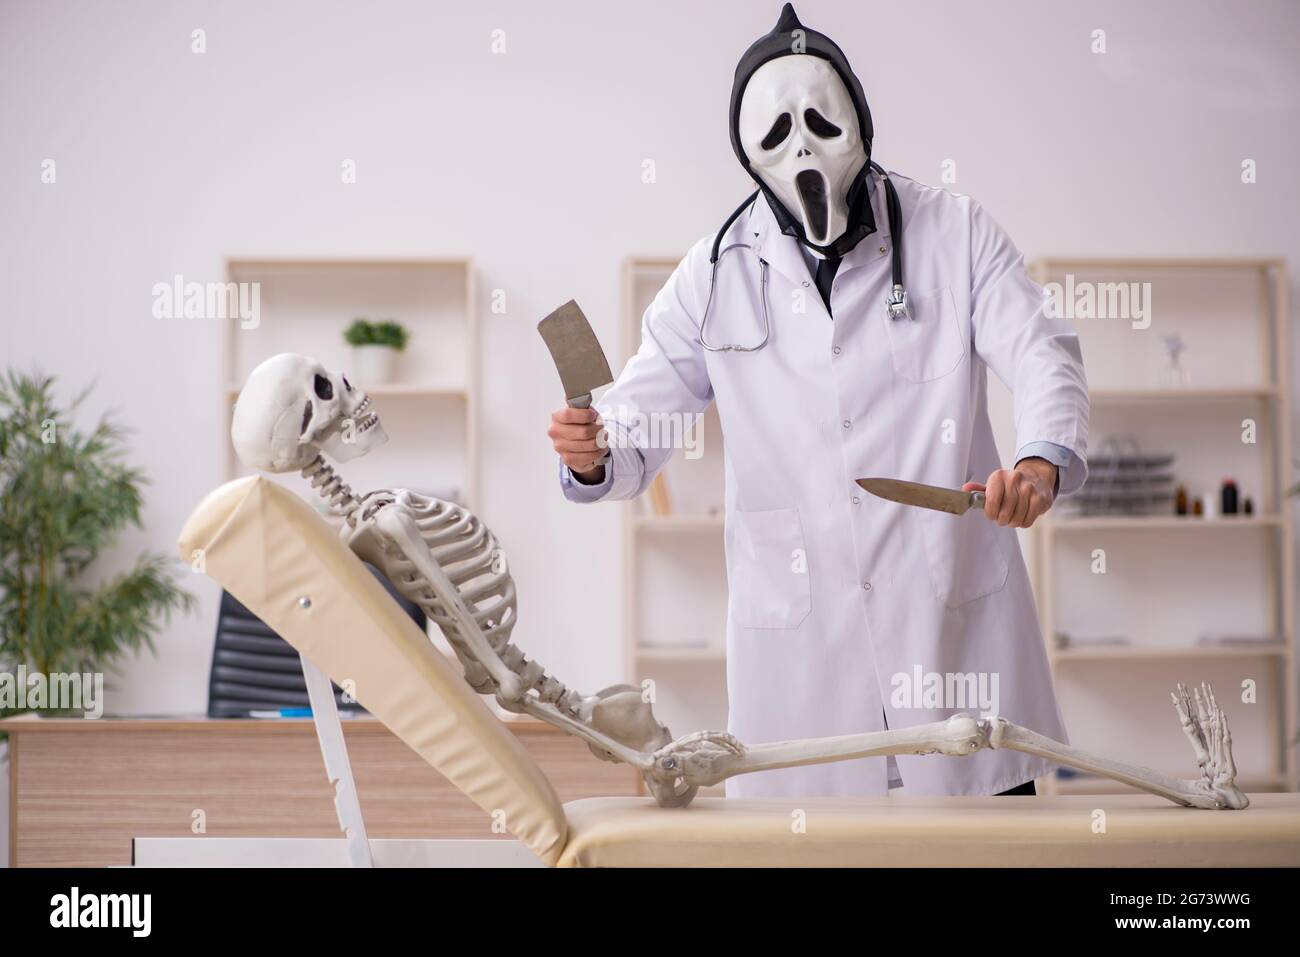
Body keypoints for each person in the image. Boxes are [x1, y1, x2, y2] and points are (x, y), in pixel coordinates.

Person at [548, 4, 1088, 798]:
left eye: (819, 123)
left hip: (957, 650)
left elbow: (1044, 350)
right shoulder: (715, 272)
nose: (801, 148)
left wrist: (1040, 461)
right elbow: (635, 421)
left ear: (859, 124)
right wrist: (594, 452)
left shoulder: (955, 232)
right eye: (776, 133)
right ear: (748, 154)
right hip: (801, 682)